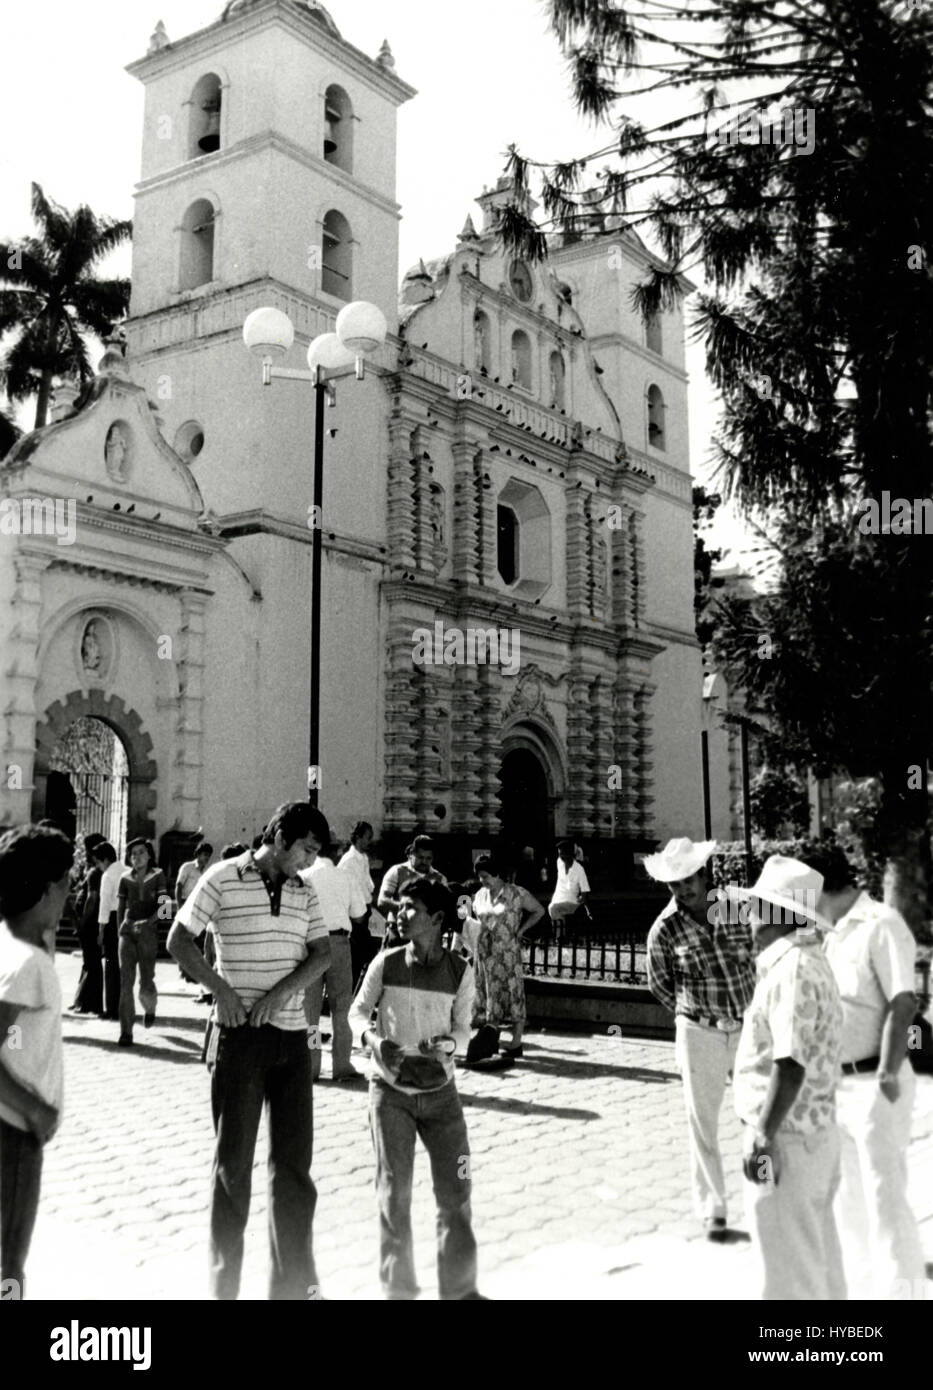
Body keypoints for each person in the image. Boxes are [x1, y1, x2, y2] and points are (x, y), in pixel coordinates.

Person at [167, 802, 331, 1301]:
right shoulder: (222, 876)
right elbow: (179, 940)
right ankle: (224, 1290)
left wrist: (282, 993)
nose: (310, 861)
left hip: (292, 1042)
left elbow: (322, 954)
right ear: (281, 837)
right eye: (306, 849)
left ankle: (294, 1288)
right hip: (239, 1042)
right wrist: (221, 989)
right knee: (232, 1169)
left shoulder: (306, 891)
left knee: (294, 1172)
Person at [348, 877, 484, 1300]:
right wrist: (373, 1041)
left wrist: (446, 1045)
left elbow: (464, 1032)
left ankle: (460, 1290)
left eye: (410, 908)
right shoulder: (384, 963)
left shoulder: (460, 971)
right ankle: (398, 1290)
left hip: (442, 1097)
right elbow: (356, 1014)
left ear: (438, 919)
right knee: (395, 1194)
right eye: (399, 907)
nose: (398, 914)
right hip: (390, 1096)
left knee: (457, 1189)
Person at [809, 843, 926, 1300]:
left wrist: (888, 1073)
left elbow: (904, 1000)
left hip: (877, 1083)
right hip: (837, 1084)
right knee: (847, 1203)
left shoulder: (881, 924)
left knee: (886, 1201)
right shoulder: (832, 933)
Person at [732, 855, 845, 1301]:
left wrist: (762, 1134)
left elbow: (790, 1062)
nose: (749, 918)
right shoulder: (809, 961)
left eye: (757, 907)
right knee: (815, 1256)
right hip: (812, 1135)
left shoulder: (791, 970)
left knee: (784, 1273)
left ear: (780, 915)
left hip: (786, 1142)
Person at [645, 836, 755, 1239]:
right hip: (699, 1030)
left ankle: (766, 1195)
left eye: (688, 879)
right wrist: (692, 1013)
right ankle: (714, 1210)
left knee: (758, 1114)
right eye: (675, 884)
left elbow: (761, 952)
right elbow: (659, 984)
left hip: (747, 1026)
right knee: (702, 1124)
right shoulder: (665, 929)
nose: (683, 889)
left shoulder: (737, 906)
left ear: (703, 874)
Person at [0, 824, 73, 1298]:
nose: (70, 893)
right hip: (13, 1131)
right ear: (48, 890)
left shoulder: (9, 947)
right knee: (9, 1261)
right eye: (68, 883)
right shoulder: (31, 966)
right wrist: (36, 1109)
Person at [465, 855, 543, 1062]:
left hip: (508, 952)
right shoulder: (480, 895)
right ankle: (491, 1036)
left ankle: (516, 1042)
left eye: (486, 877)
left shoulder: (516, 893)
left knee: (513, 992)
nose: (483, 881)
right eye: (480, 877)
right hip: (485, 951)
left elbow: (538, 910)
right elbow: (475, 919)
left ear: (497, 874)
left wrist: (521, 930)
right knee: (489, 993)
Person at [300, 844, 362, 1083]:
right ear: (336, 852)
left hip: (311, 943)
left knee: (310, 1013)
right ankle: (341, 1065)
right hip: (338, 942)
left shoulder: (304, 877)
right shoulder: (346, 876)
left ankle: (311, 1066)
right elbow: (359, 914)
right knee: (341, 1009)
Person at [116, 839, 168, 1046]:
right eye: (133, 854)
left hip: (148, 933)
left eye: (141, 852)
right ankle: (126, 1032)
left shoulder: (158, 876)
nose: (136, 857)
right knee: (125, 984)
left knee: (146, 981)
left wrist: (149, 922)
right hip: (128, 933)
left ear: (149, 856)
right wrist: (121, 928)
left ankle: (150, 1008)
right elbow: (121, 906)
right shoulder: (124, 878)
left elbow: (165, 909)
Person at [377, 836, 448, 950]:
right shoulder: (397, 871)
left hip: (427, 936)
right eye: (420, 857)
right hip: (398, 932)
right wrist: (410, 909)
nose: (424, 861)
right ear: (411, 854)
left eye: (428, 858)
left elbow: (445, 907)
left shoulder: (440, 879)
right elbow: (382, 901)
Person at [69, 832, 106, 1015]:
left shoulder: (158, 874)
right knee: (90, 962)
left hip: (91, 922)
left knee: (93, 963)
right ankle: (83, 1000)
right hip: (95, 921)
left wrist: (162, 919)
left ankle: (92, 1004)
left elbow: (93, 898)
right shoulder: (96, 871)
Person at [338, 821, 377, 986]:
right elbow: (349, 891)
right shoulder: (349, 861)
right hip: (354, 914)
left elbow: (368, 884)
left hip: (365, 910)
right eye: (367, 837)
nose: (369, 841)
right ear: (358, 837)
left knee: (363, 954)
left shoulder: (363, 859)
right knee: (357, 954)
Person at [176, 842, 214, 990]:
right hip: (186, 903)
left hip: (200, 905)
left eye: (208, 856)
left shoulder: (207, 871)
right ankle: (184, 971)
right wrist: (180, 907)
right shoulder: (187, 867)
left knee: (197, 939)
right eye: (204, 855)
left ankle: (193, 972)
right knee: (183, 938)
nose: (206, 858)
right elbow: (178, 887)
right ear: (198, 854)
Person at [92, 842, 123, 1021]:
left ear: (104, 859)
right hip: (129, 917)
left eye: (98, 862)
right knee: (124, 966)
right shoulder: (128, 870)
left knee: (111, 966)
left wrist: (101, 930)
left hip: (112, 920)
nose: (98, 866)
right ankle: (124, 1005)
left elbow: (104, 905)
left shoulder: (108, 875)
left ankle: (112, 1008)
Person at [547, 840, 591, 927]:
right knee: (554, 910)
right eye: (559, 855)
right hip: (559, 899)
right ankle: (560, 935)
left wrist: (588, 910)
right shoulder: (559, 862)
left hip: (572, 902)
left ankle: (560, 936)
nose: (561, 858)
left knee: (553, 908)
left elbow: (584, 892)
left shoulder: (579, 870)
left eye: (563, 855)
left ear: (570, 855)